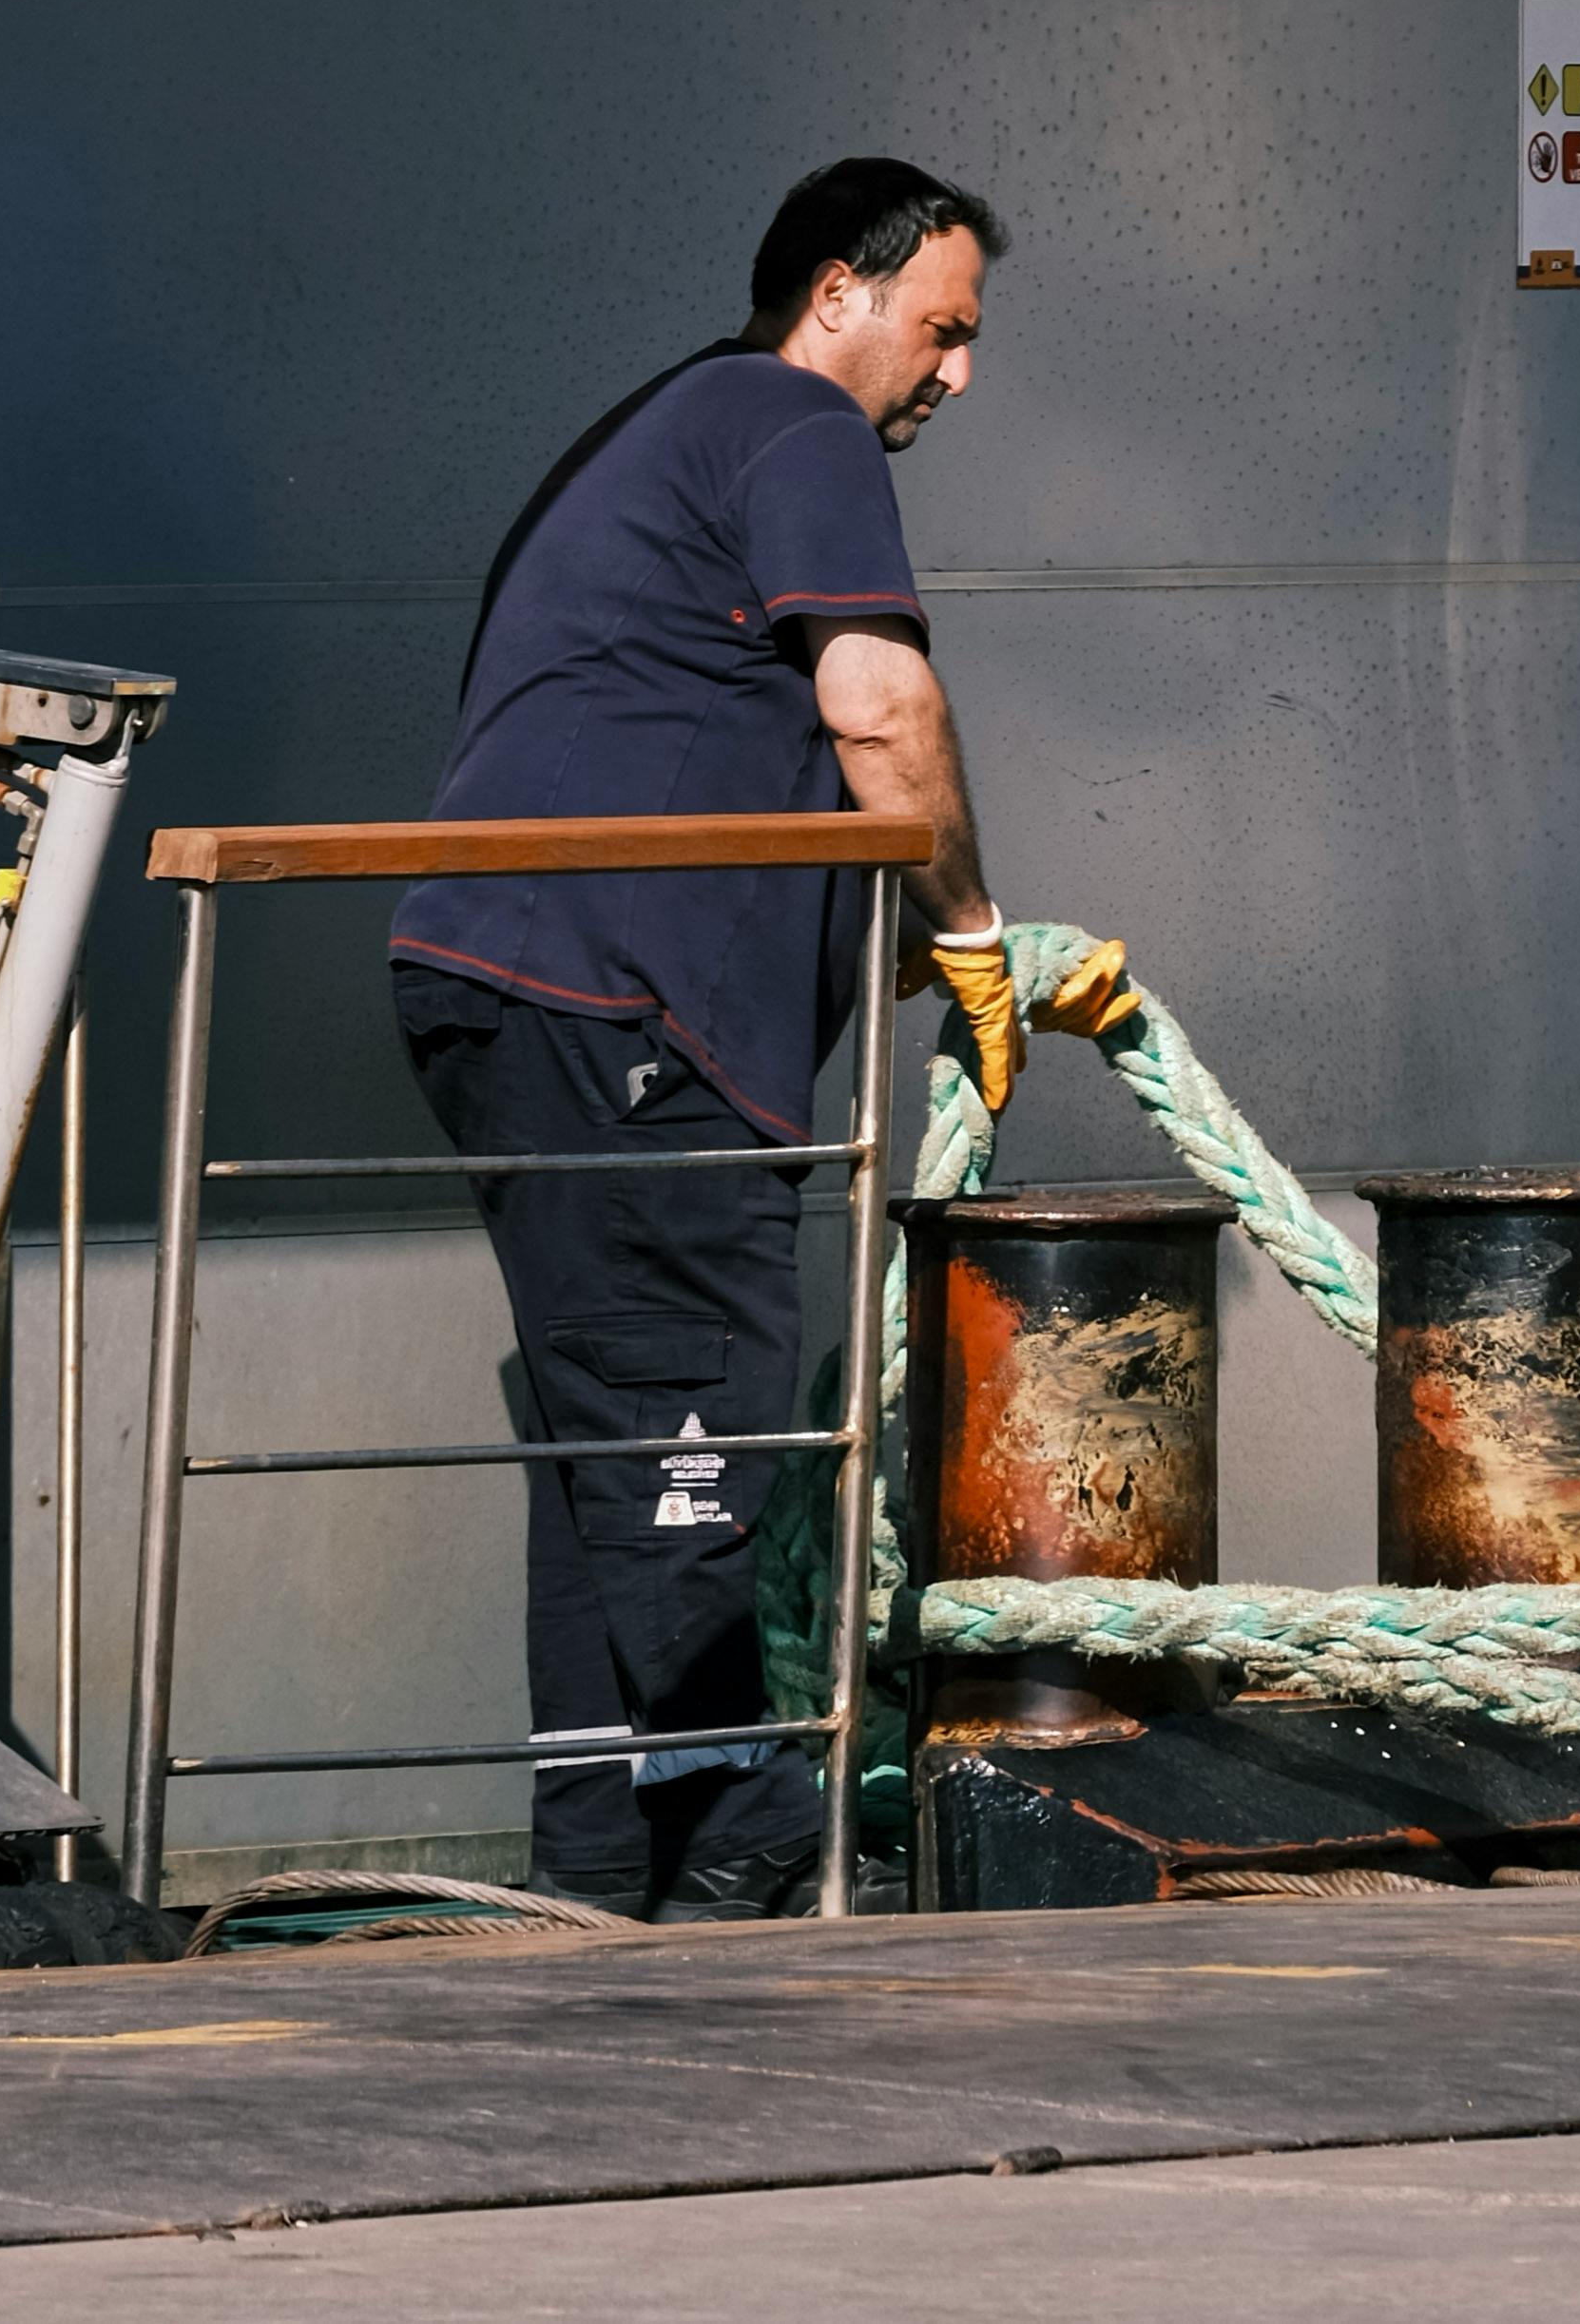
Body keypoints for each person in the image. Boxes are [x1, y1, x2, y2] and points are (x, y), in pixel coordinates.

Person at [387, 154, 1035, 1919]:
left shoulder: (669, 424)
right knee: (696, 1421)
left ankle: (598, 1873)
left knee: (611, 1435)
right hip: (619, 1002)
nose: (955, 376)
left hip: (507, 981)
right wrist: (965, 933)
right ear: (840, 290)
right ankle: (739, 1846)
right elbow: (879, 702)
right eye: (943, 328)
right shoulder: (789, 419)